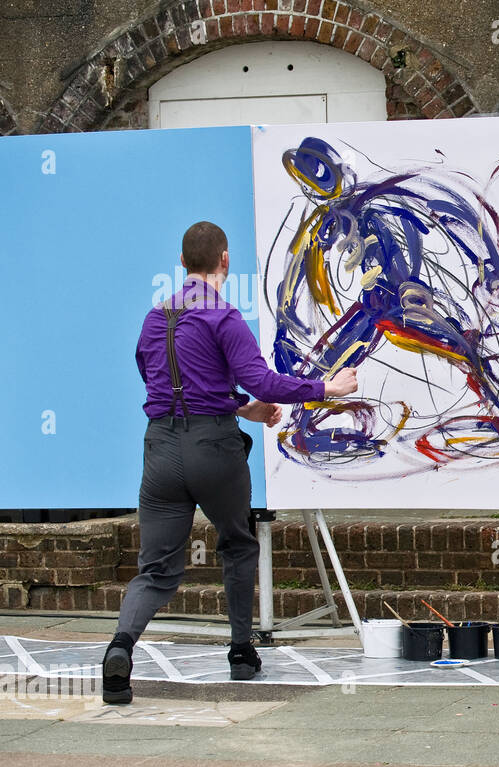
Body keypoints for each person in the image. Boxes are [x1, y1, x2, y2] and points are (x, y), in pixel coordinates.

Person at [101, 221, 358, 704]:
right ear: (224, 261)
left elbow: (162, 381)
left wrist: (236, 405)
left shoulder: (155, 318)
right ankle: (241, 651)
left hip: (160, 450)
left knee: (155, 570)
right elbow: (263, 382)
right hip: (214, 451)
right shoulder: (224, 317)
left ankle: (120, 648)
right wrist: (328, 389)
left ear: (182, 264)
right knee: (237, 544)